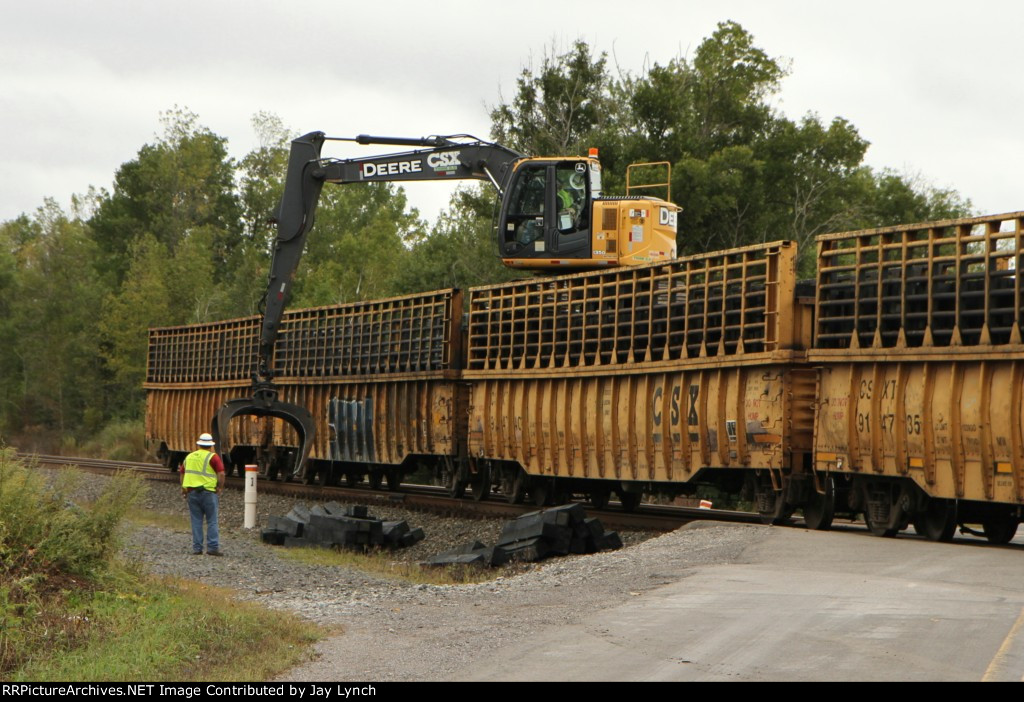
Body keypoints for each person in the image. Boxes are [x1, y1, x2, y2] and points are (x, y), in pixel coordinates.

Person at [180, 432, 226, 556]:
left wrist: (184, 489)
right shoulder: (213, 457)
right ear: (211, 446)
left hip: (192, 493)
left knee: (196, 520)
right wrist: (220, 488)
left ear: (199, 445)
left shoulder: (189, 457)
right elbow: (221, 473)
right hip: (209, 493)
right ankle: (212, 548)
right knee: (212, 520)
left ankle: (197, 549)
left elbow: (182, 473)